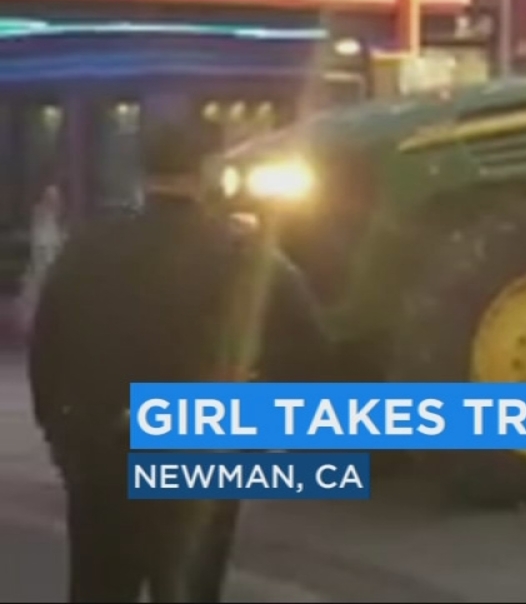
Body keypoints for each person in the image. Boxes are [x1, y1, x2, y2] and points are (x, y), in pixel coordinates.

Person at [28, 118, 326, 602]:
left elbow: (47, 346)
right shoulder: (244, 253)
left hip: (104, 451)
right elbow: (309, 350)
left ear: (142, 172)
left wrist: (63, 437)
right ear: (208, 172)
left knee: (100, 586)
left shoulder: (87, 248)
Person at [13, 182, 65, 340]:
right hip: (41, 271)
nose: (55, 201)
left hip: (51, 270)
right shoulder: (40, 218)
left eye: (56, 198)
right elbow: (40, 246)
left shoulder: (56, 221)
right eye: (51, 197)